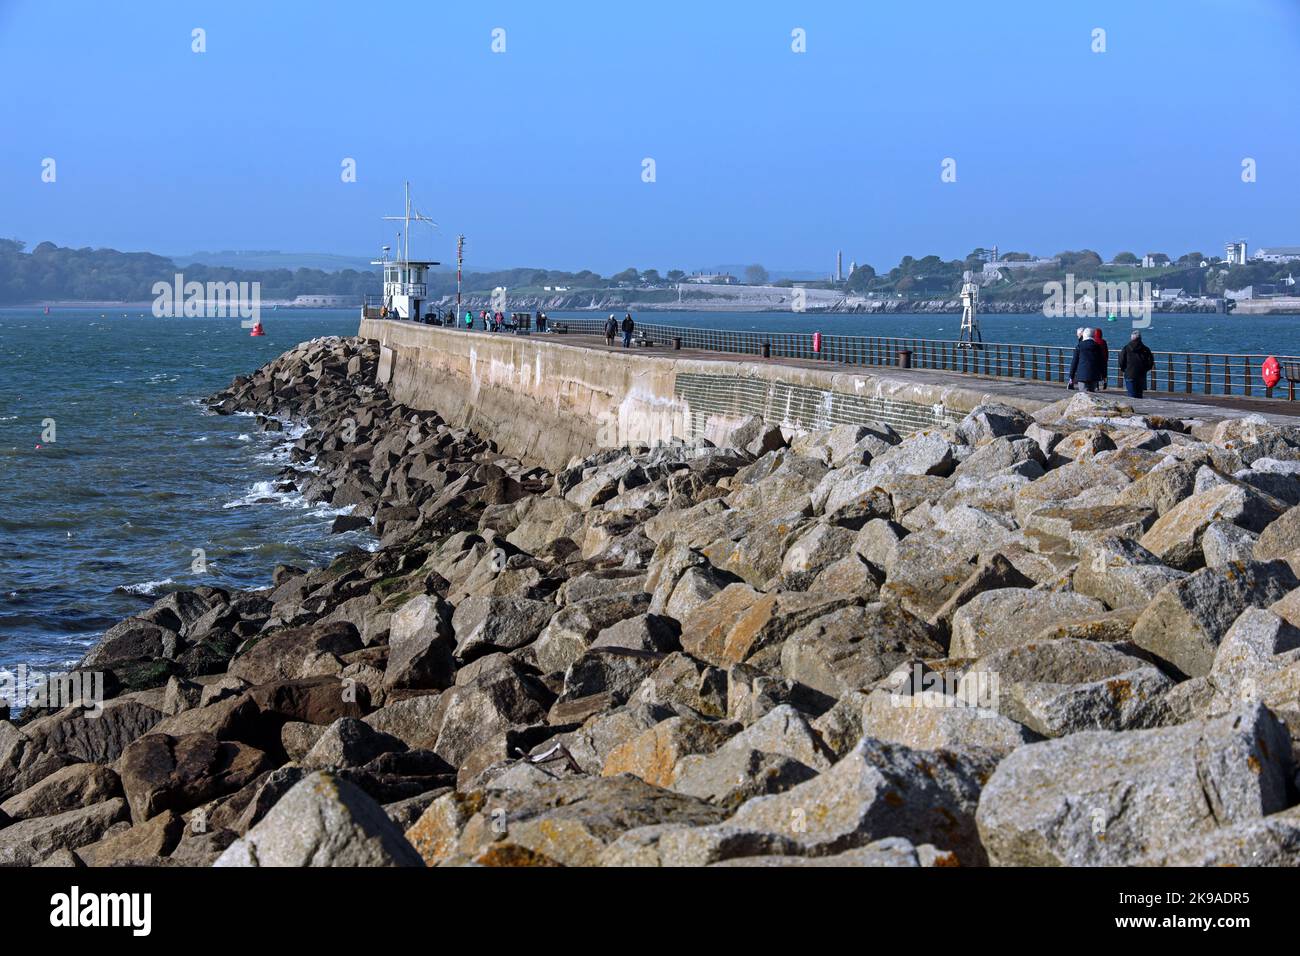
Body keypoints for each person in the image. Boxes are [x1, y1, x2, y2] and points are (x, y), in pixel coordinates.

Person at [1118, 329, 1154, 398]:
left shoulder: (1126, 348)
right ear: (1140, 338)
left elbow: (1121, 361)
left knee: (1131, 396)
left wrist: (1124, 370)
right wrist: (1145, 369)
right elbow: (1150, 362)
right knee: (1139, 395)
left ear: (1131, 338)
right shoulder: (1146, 349)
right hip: (1141, 375)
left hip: (1129, 374)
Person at [1067, 327, 1105, 391]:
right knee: (1092, 394)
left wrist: (1071, 377)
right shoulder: (1097, 346)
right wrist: (1104, 376)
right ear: (1093, 336)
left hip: (1082, 376)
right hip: (1094, 375)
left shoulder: (1079, 346)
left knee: (1083, 394)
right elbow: (1101, 362)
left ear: (1084, 335)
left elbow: (1074, 362)